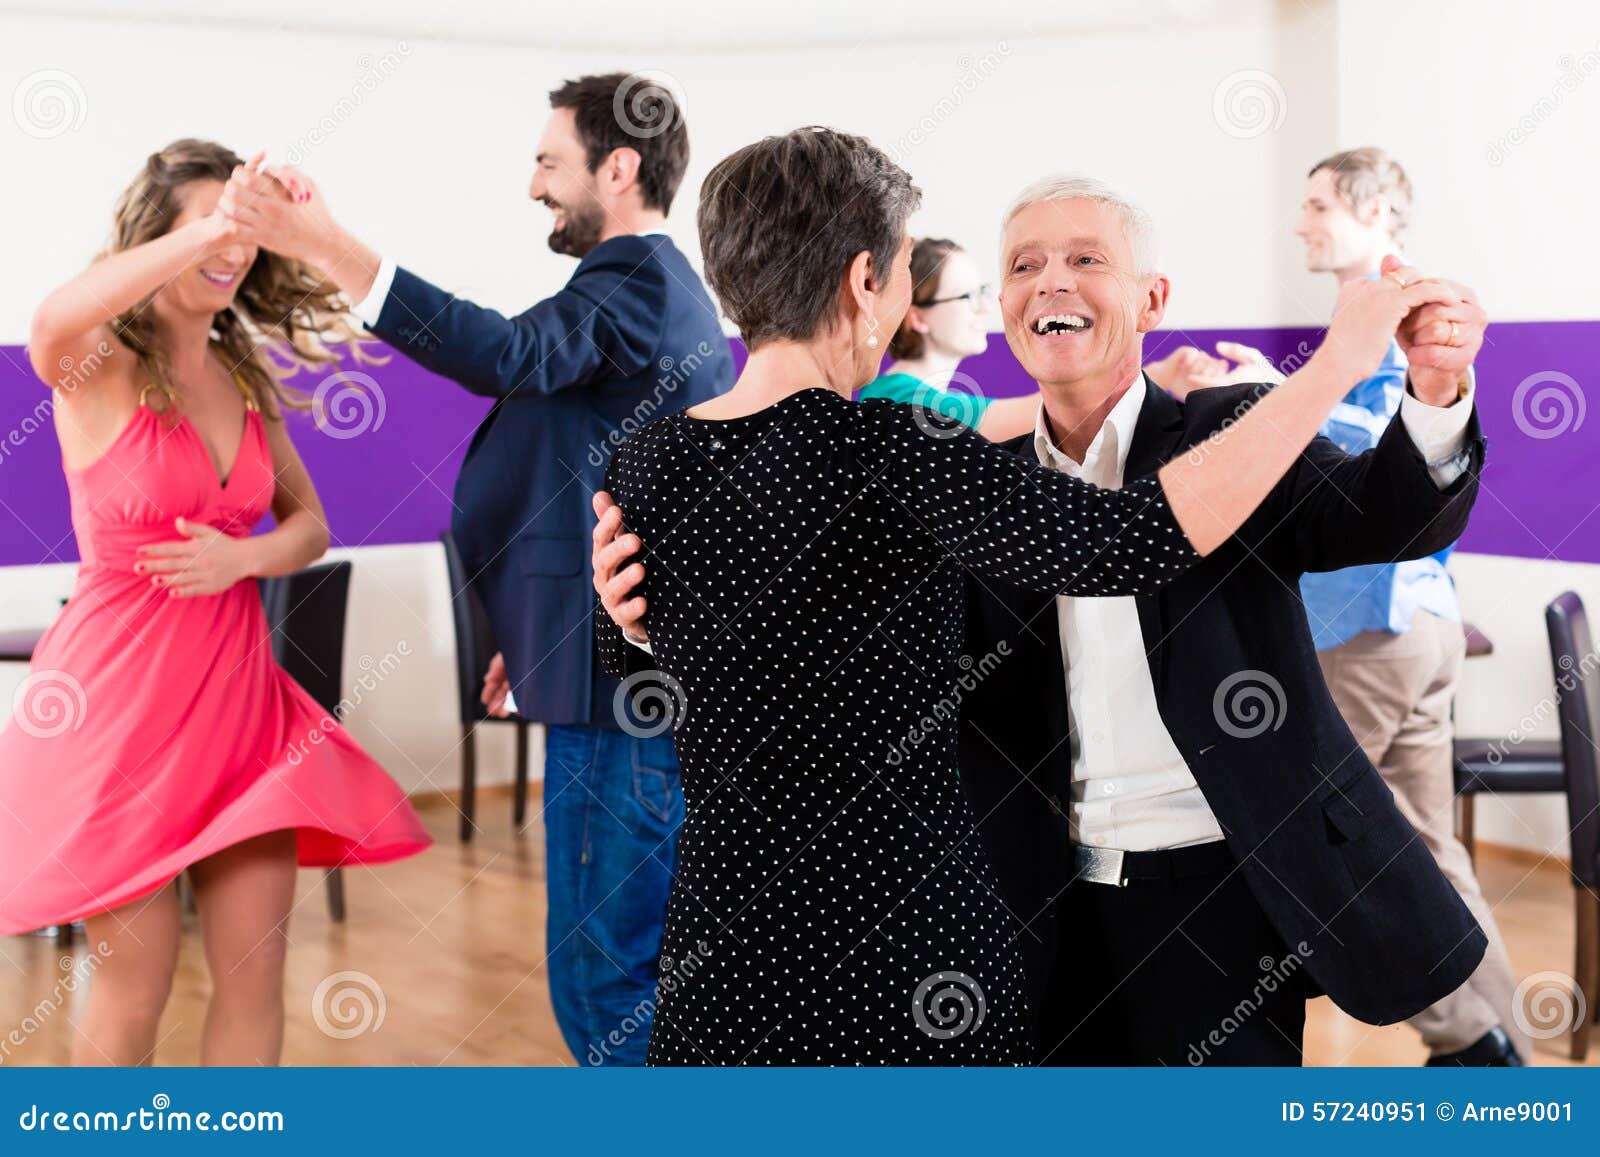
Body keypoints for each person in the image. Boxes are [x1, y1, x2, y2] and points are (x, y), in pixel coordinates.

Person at [588, 127, 1470, 1065]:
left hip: (1181, 903)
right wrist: (1338, 359)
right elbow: (1129, 538)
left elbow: (1386, 518)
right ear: (868, 286)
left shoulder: (651, 455)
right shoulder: (923, 460)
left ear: (1150, 300)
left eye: (1087, 259)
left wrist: (628, 627)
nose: (1051, 281)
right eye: (1020, 265)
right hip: (967, 921)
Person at [229, 74, 736, 1066]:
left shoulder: (639, 285)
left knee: (603, 981)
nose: (535, 187)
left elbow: (503, 354)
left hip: (619, 699)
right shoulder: (635, 291)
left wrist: (326, 244)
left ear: (618, 167)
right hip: (604, 675)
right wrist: (528, 634)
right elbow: (577, 470)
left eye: (550, 163)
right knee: (626, 974)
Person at [0, 139, 432, 1066]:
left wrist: (246, 558)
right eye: (205, 229)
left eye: (243, 235)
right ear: (153, 238)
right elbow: (48, 318)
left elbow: (309, 525)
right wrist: (212, 226)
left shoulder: (241, 382)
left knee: (254, 977)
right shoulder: (97, 365)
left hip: (244, 717)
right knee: (135, 987)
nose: (231, 252)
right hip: (121, 718)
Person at [859, 237, 1038, 439]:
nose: (985, 308)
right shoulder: (901, 399)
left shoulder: (903, 392)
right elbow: (1049, 415)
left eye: (981, 292)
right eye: (966, 297)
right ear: (917, 317)